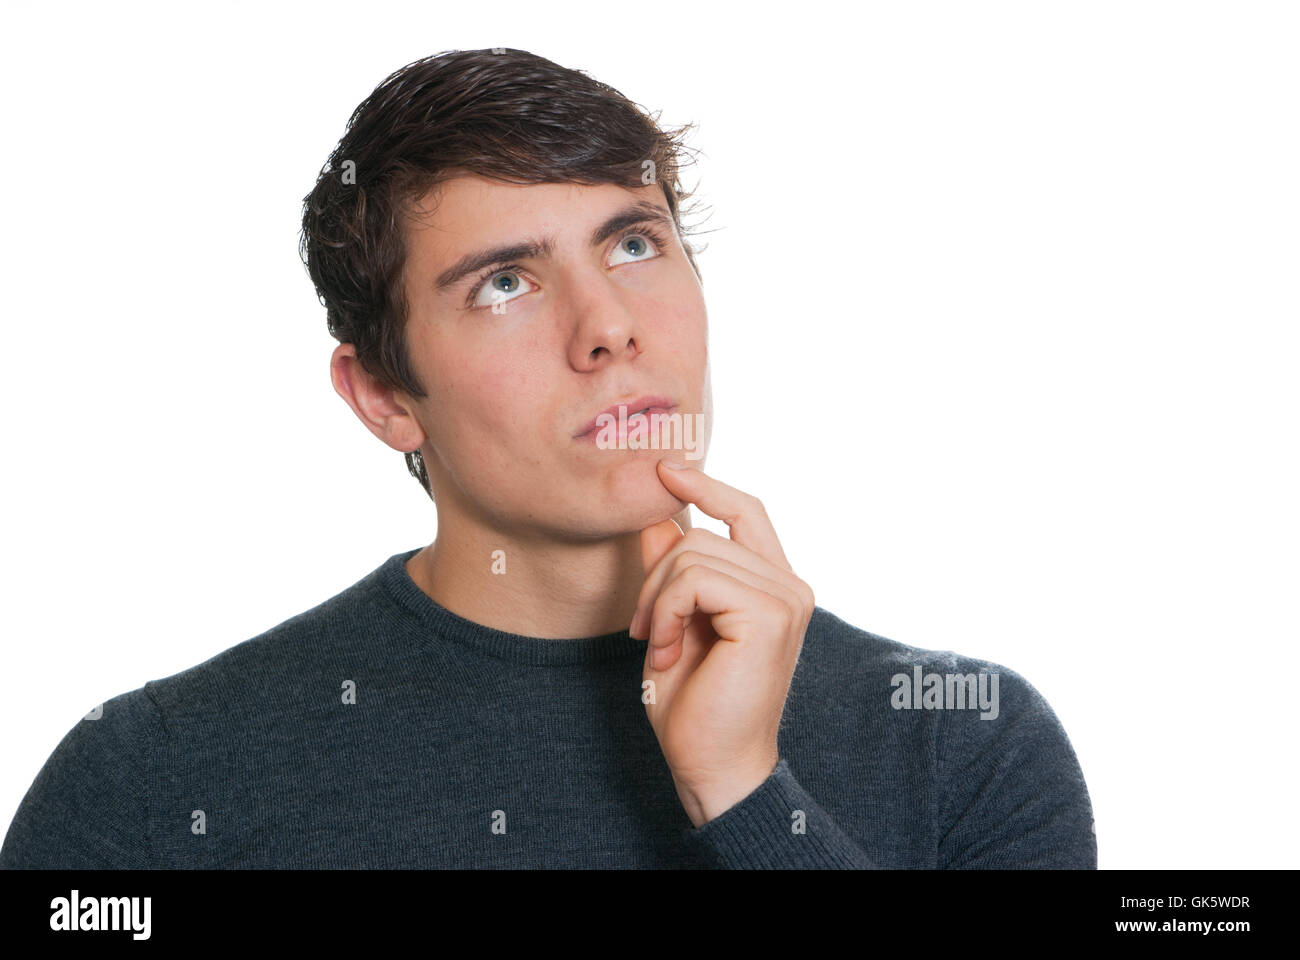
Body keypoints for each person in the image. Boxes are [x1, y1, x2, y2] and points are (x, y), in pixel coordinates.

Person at [0, 48, 1096, 869]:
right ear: (385, 397)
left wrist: (746, 793)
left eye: (633, 244)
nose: (609, 326)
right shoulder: (153, 779)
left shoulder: (964, 742)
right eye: (505, 283)